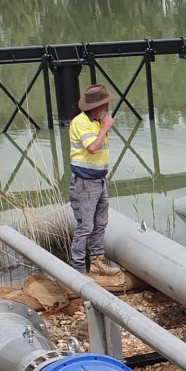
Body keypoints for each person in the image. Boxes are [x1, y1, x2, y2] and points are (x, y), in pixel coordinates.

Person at [68, 83, 120, 275]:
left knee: (101, 222)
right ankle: (79, 269)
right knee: (86, 226)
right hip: (84, 182)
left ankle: (98, 262)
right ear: (96, 107)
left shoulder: (96, 122)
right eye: (105, 105)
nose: (107, 109)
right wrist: (105, 127)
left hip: (99, 180)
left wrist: (102, 126)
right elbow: (92, 148)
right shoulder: (80, 122)